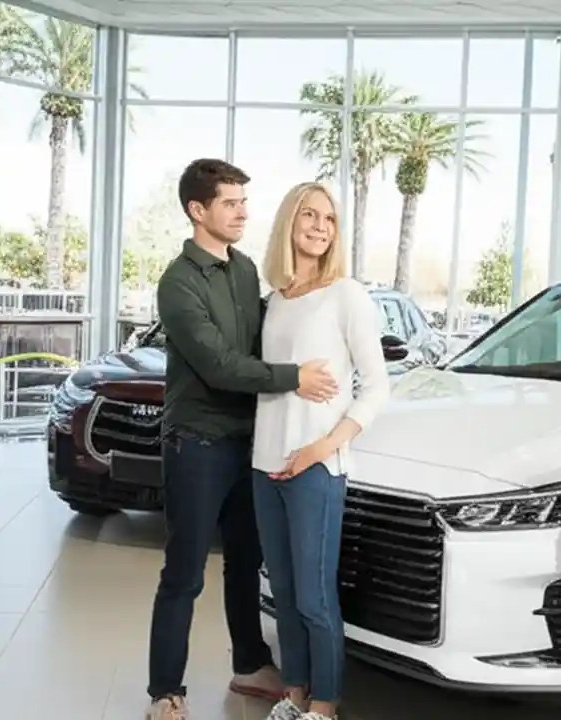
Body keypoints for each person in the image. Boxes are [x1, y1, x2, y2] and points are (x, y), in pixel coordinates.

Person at [146, 160, 340, 720]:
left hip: (247, 443)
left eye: (243, 202)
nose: (242, 212)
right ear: (197, 210)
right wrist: (295, 376)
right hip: (197, 443)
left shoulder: (245, 269)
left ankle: (250, 663)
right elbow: (220, 365)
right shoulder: (178, 282)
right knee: (184, 572)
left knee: (245, 561)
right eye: (229, 203)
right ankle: (165, 692)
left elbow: (269, 332)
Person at [252, 181, 390, 720]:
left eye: (329, 219)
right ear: (289, 221)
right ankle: (294, 695)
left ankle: (325, 705)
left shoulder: (347, 295)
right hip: (266, 465)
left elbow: (377, 385)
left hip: (317, 467)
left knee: (314, 596)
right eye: (308, 215)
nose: (318, 226)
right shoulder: (275, 301)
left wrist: (324, 446)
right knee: (283, 592)